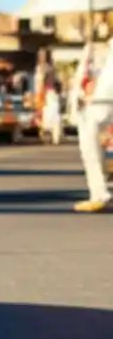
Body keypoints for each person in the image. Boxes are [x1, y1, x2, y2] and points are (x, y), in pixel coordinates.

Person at [74, 37, 112, 212]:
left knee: (90, 148)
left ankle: (99, 193)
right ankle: (98, 192)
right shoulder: (99, 50)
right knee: (91, 149)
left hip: (100, 102)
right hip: (96, 101)